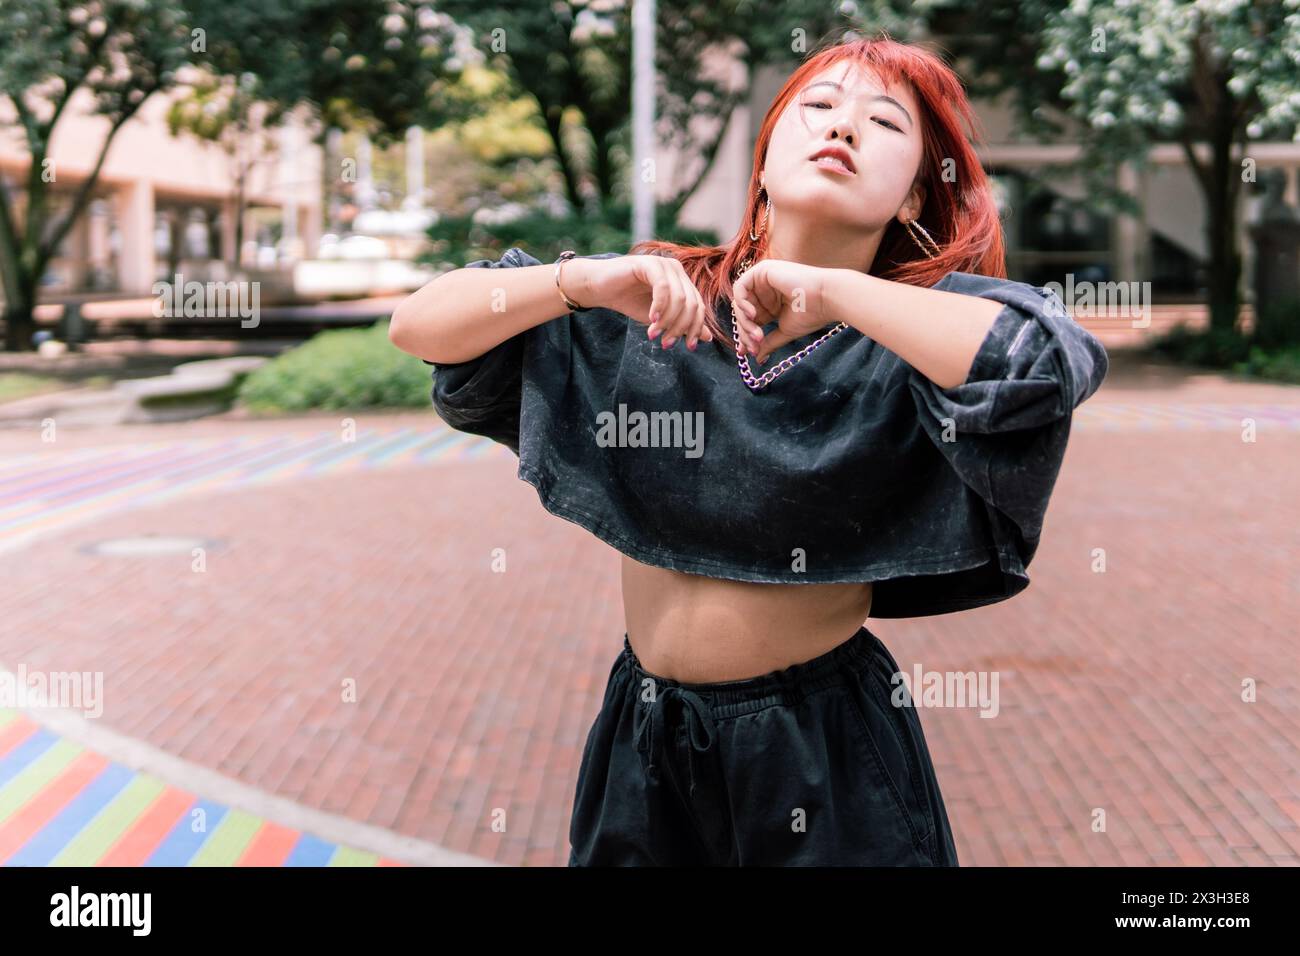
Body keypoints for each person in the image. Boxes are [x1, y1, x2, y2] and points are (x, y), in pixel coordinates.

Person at [390, 34, 1109, 866]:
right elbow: (424, 328)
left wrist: (833, 289)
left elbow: (1044, 363)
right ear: (763, 164)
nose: (844, 128)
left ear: (914, 196)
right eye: (818, 107)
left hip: (817, 745)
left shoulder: (913, 328)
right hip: (644, 730)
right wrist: (580, 281)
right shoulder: (653, 297)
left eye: (883, 121)